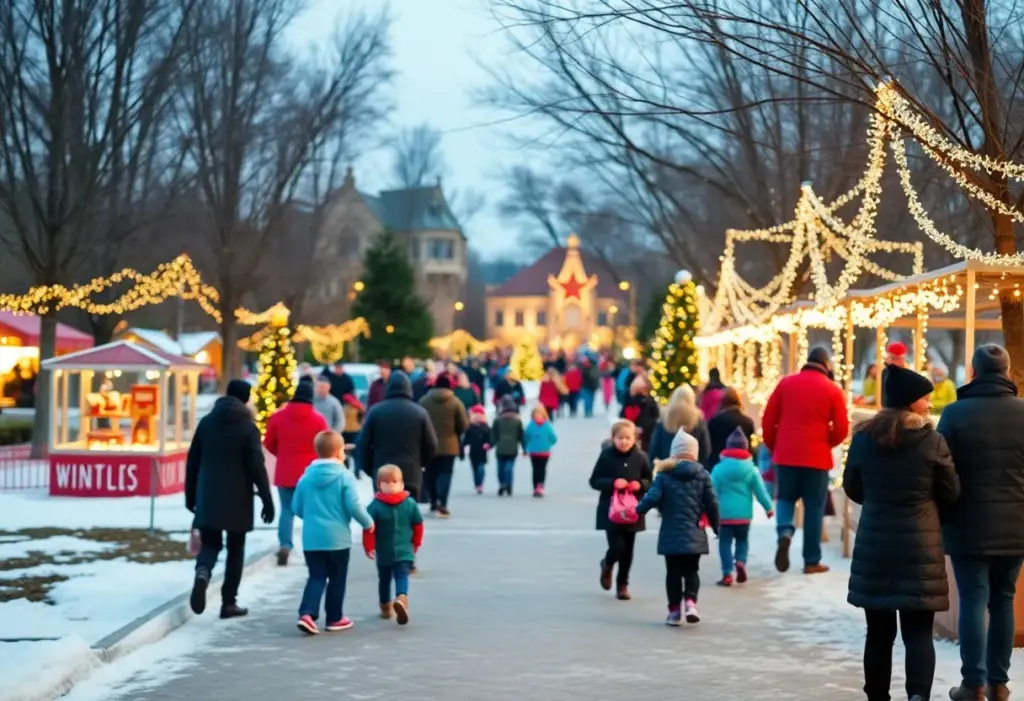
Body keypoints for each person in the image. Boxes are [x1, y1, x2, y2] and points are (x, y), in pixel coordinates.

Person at [842, 364, 960, 701]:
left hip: (875, 547)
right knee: (918, 633)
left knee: (878, 633)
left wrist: (878, 501)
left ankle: (877, 696)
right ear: (910, 402)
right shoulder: (932, 441)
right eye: (925, 399)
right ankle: (918, 696)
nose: (929, 405)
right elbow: (951, 492)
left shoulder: (864, 438)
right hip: (920, 548)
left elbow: (852, 486)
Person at [938, 345, 1024, 701]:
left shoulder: (955, 414)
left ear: (972, 372)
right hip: (1017, 523)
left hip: (968, 522)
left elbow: (939, 468)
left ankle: (972, 684)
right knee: (1004, 599)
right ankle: (999, 684)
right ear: (1007, 373)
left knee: (974, 597)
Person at [186, 379, 274, 619]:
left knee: (210, 543)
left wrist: (190, 496)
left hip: (208, 493)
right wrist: (267, 499)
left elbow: (192, 461)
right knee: (236, 549)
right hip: (239, 497)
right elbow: (257, 466)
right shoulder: (248, 428)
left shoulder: (206, 424)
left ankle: (202, 572)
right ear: (246, 400)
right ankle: (228, 603)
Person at [761, 346, 849, 575]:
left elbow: (768, 420)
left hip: (786, 455)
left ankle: (784, 533)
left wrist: (775, 446)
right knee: (814, 507)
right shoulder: (832, 390)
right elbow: (842, 429)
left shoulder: (785, 384)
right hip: (817, 459)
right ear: (827, 365)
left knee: (785, 498)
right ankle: (811, 561)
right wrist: (825, 443)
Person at [632, 428, 718, 625]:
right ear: (694, 454)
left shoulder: (664, 475)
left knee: (673, 572)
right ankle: (690, 602)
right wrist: (716, 527)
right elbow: (712, 503)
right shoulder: (703, 475)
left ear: (674, 453)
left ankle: (673, 612)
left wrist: (638, 511)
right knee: (691, 570)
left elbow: (652, 497)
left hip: (670, 532)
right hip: (695, 532)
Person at [292, 431, 374, 635]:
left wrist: (312, 517)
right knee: (337, 577)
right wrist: (367, 523)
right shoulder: (345, 477)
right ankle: (334, 617)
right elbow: (353, 506)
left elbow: (297, 507)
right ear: (339, 452)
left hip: (312, 539)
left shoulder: (306, 477)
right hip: (338, 539)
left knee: (316, 576)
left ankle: (307, 613)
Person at [264, 381, 329, 566]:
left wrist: (282, 454)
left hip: (285, 471)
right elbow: (324, 444)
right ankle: (312, 549)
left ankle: (285, 545)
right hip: (310, 473)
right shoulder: (318, 419)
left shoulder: (277, 417)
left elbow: (268, 442)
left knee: (286, 510)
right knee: (311, 511)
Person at [590, 419, 652, 601]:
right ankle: (607, 564)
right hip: (611, 510)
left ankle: (622, 584)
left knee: (628, 550)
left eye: (628, 438)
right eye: (620, 438)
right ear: (613, 438)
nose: (624, 442)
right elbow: (594, 480)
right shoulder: (606, 456)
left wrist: (639, 484)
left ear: (634, 439)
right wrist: (612, 483)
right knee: (617, 547)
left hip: (633, 510)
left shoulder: (640, 457)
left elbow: (650, 481)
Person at [357, 371, 437, 504]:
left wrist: (370, 469)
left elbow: (362, 444)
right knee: (409, 514)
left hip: (382, 472)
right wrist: (420, 464)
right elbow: (431, 444)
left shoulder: (376, 412)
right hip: (411, 472)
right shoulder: (419, 413)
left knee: (383, 514)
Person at [710, 428, 774, 587]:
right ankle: (740, 562)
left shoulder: (718, 469)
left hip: (724, 515)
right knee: (742, 541)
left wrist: (707, 509)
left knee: (724, 542)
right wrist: (768, 507)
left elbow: (711, 491)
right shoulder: (751, 470)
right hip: (744, 515)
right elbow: (760, 491)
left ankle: (727, 573)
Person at [362, 465, 424, 625]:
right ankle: (401, 597)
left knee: (384, 579)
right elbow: (418, 525)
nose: (391, 485)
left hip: (384, 551)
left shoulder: (375, 506)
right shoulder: (410, 503)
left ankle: (385, 606)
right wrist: (416, 543)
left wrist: (368, 546)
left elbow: (368, 528)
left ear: (378, 485)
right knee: (402, 575)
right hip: (405, 550)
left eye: (393, 482)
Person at [419, 374, 468, 518]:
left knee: (431, 474)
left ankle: (433, 502)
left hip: (429, 444)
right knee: (445, 474)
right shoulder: (455, 402)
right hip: (449, 445)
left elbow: (419, 422)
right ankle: (444, 503)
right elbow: (463, 425)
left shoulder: (424, 401)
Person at [648, 384, 711, 465]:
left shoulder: (664, 417)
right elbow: (706, 449)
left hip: (666, 466)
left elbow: (654, 448)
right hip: (691, 468)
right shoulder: (698, 420)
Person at [705, 387, 756, 471]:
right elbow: (750, 449)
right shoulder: (748, 422)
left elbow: (710, 448)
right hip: (743, 468)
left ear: (722, 402)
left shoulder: (714, 422)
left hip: (719, 467)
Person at [491, 395, 525, 496]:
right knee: (509, 467)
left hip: (500, 449)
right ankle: (508, 484)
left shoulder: (497, 421)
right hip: (512, 449)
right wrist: (524, 448)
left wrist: (490, 444)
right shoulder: (517, 422)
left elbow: (493, 435)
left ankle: (502, 483)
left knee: (500, 468)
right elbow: (521, 436)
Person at [620, 374, 661, 453]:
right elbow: (623, 415)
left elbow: (654, 417)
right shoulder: (629, 399)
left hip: (645, 434)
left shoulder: (649, 401)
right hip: (631, 432)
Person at [524, 405, 558, 497]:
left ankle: (540, 486)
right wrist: (525, 448)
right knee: (535, 469)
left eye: (539, 414)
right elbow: (525, 438)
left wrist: (547, 444)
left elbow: (554, 438)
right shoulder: (530, 426)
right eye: (535, 414)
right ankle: (536, 487)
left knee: (542, 469)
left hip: (544, 452)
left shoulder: (547, 426)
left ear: (543, 415)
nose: (537, 416)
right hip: (533, 452)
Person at [462, 405, 491, 494]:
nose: (478, 416)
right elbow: (466, 439)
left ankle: (480, 484)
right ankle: (477, 483)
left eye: (480, 414)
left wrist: (489, 444)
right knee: (474, 468)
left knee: (481, 468)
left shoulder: (486, 427)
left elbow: (490, 438)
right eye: (476, 414)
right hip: (473, 450)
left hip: (482, 450)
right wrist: (464, 446)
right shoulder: (470, 427)